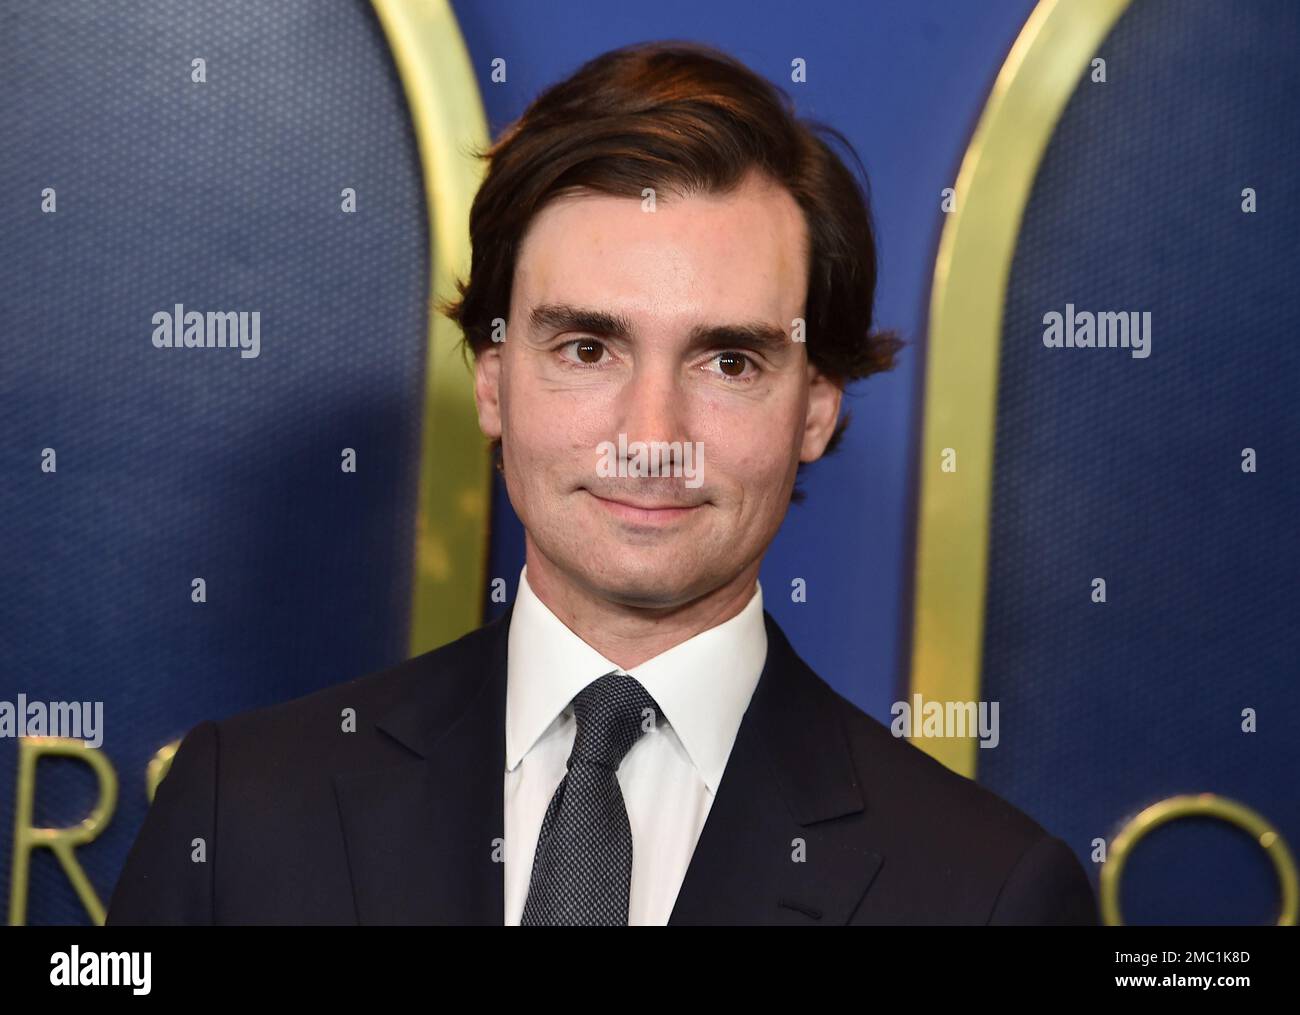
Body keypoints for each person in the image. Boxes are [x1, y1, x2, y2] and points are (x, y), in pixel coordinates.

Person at [107, 40, 1097, 926]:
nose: (651, 436)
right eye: (587, 347)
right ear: (493, 379)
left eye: (729, 362)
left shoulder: (986, 893)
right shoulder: (241, 811)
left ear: (815, 410)